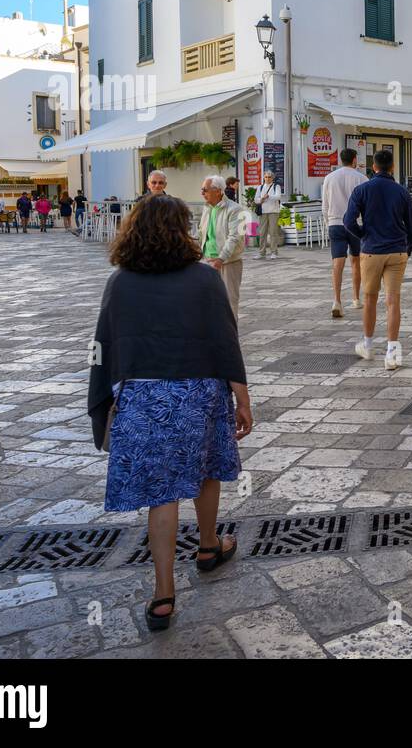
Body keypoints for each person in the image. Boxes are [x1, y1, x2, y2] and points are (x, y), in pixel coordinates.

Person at [88, 194, 251, 632]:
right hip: (200, 392)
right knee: (206, 470)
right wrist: (243, 397)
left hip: (143, 398)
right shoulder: (203, 279)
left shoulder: (120, 282)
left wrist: (103, 403)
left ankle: (163, 595)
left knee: (162, 494)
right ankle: (208, 545)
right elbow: (224, 340)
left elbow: (104, 345)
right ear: (183, 230)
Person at [342, 148, 412, 370]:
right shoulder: (402, 192)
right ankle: (392, 353)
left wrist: (364, 234)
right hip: (397, 251)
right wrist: (407, 248)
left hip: (372, 250)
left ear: (373, 167)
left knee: (370, 299)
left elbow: (348, 222)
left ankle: (367, 344)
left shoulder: (362, 190)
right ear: (392, 167)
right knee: (393, 301)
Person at [321, 149, 368, 317]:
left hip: (335, 223)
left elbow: (324, 206)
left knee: (337, 262)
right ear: (354, 160)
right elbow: (366, 206)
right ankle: (356, 299)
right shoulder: (362, 178)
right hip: (355, 223)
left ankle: (337, 300)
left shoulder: (329, 178)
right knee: (356, 261)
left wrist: (329, 223)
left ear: (341, 159)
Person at [197, 174, 247, 320]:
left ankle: (230, 339)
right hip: (208, 261)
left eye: (205, 190)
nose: (202, 193)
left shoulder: (235, 209)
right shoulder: (207, 208)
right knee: (210, 302)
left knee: (230, 302)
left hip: (228, 262)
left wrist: (221, 258)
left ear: (218, 191)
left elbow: (234, 238)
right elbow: (202, 233)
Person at [255, 170, 283, 259]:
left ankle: (274, 252)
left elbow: (278, 196)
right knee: (262, 232)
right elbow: (256, 199)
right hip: (263, 212)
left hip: (273, 212)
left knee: (273, 232)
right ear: (264, 178)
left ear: (272, 178)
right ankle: (261, 252)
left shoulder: (276, 186)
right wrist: (261, 199)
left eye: (269, 177)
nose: (267, 179)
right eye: (266, 177)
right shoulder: (260, 187)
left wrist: (269, 196)